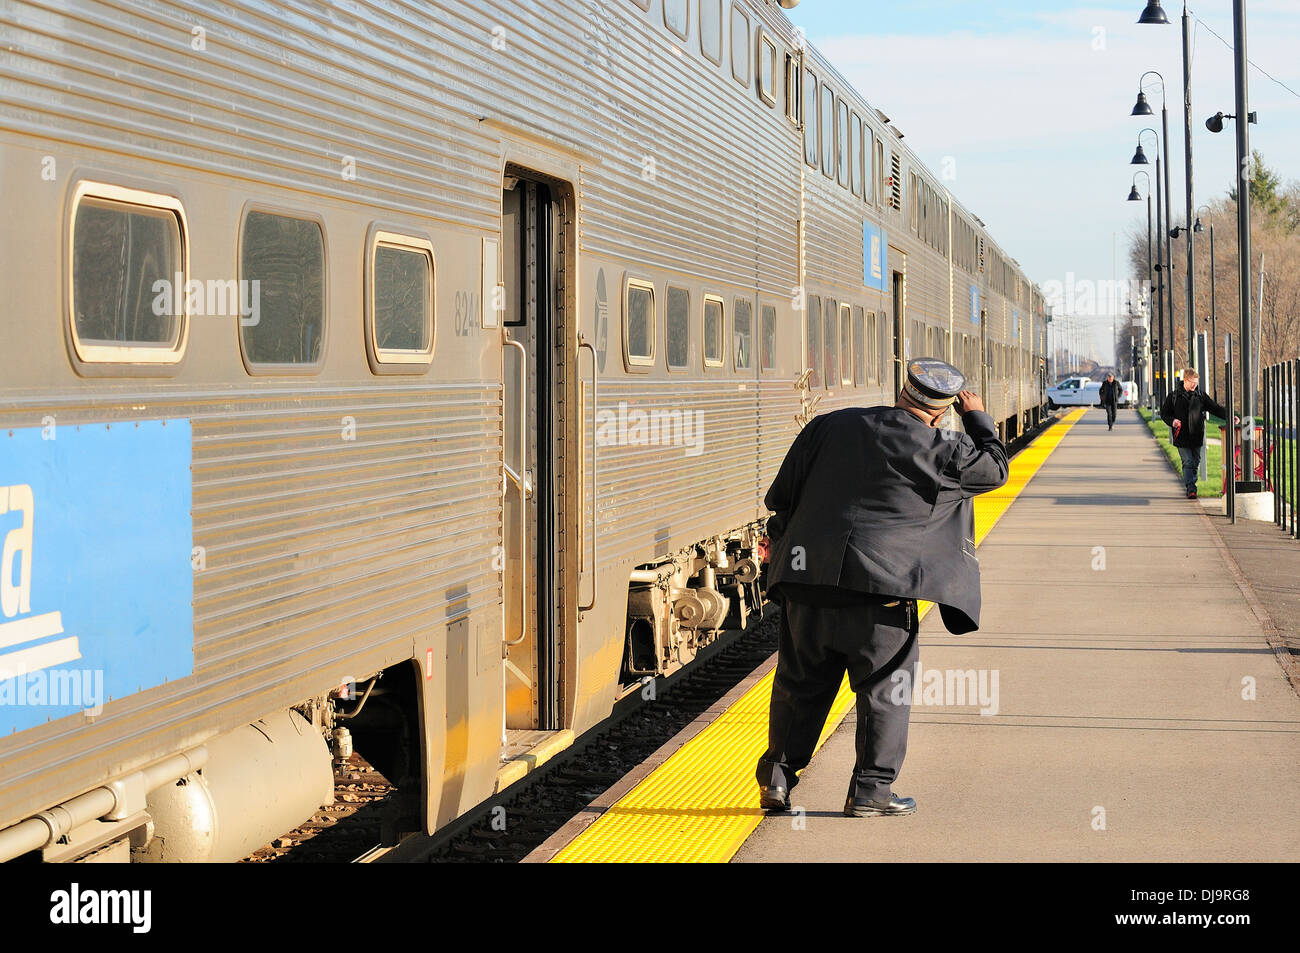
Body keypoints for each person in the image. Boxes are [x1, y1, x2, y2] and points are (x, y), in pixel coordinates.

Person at [756, 358, 1009, 818]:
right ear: (942, 408)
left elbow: (780, 499)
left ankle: (777, 781)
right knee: (884, 690)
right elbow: (995, 470)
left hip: (808, 586)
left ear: (903, 390)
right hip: (882, 595)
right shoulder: (943, 447)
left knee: (800, 685)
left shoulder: (827, 426)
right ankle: (870, 791)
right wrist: (976, 417)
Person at [1159, 368, 1231, 500]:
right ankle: (1191, 488)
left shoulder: (1200, 396)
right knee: (1188, 461)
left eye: (1196, 382)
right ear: (1185, 380)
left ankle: (1190, 482)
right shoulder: (1174, 396)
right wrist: (1172, 421)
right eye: (1192, 382)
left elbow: (1215, 408)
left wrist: (1230, 417)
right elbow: (1164, 414)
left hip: (1197, 436)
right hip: (1181, 436)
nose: (1194, 385)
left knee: (1195, 462)